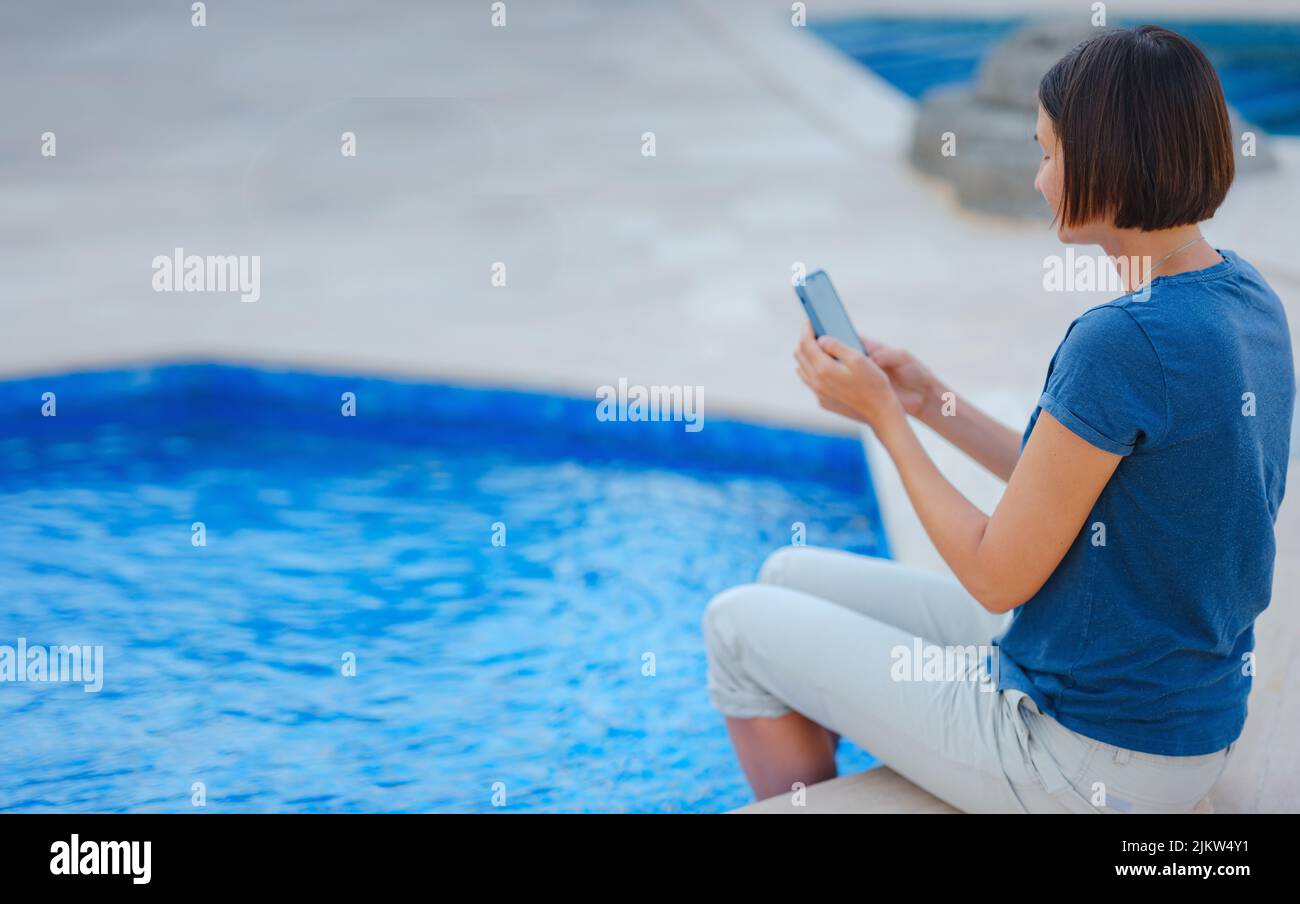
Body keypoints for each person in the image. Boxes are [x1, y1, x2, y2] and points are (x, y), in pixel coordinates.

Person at [703, 25, 1295, 813]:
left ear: (1106, 160)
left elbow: (993, 575)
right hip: (1163, 711)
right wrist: (928, 399)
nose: (1041, 177)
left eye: (1049, 153)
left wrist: (885, 423)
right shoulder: (1244, 296)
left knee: (736, 625)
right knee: (786, 576)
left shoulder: (1122, 340)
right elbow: (1077, 484)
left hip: (1087, 757)